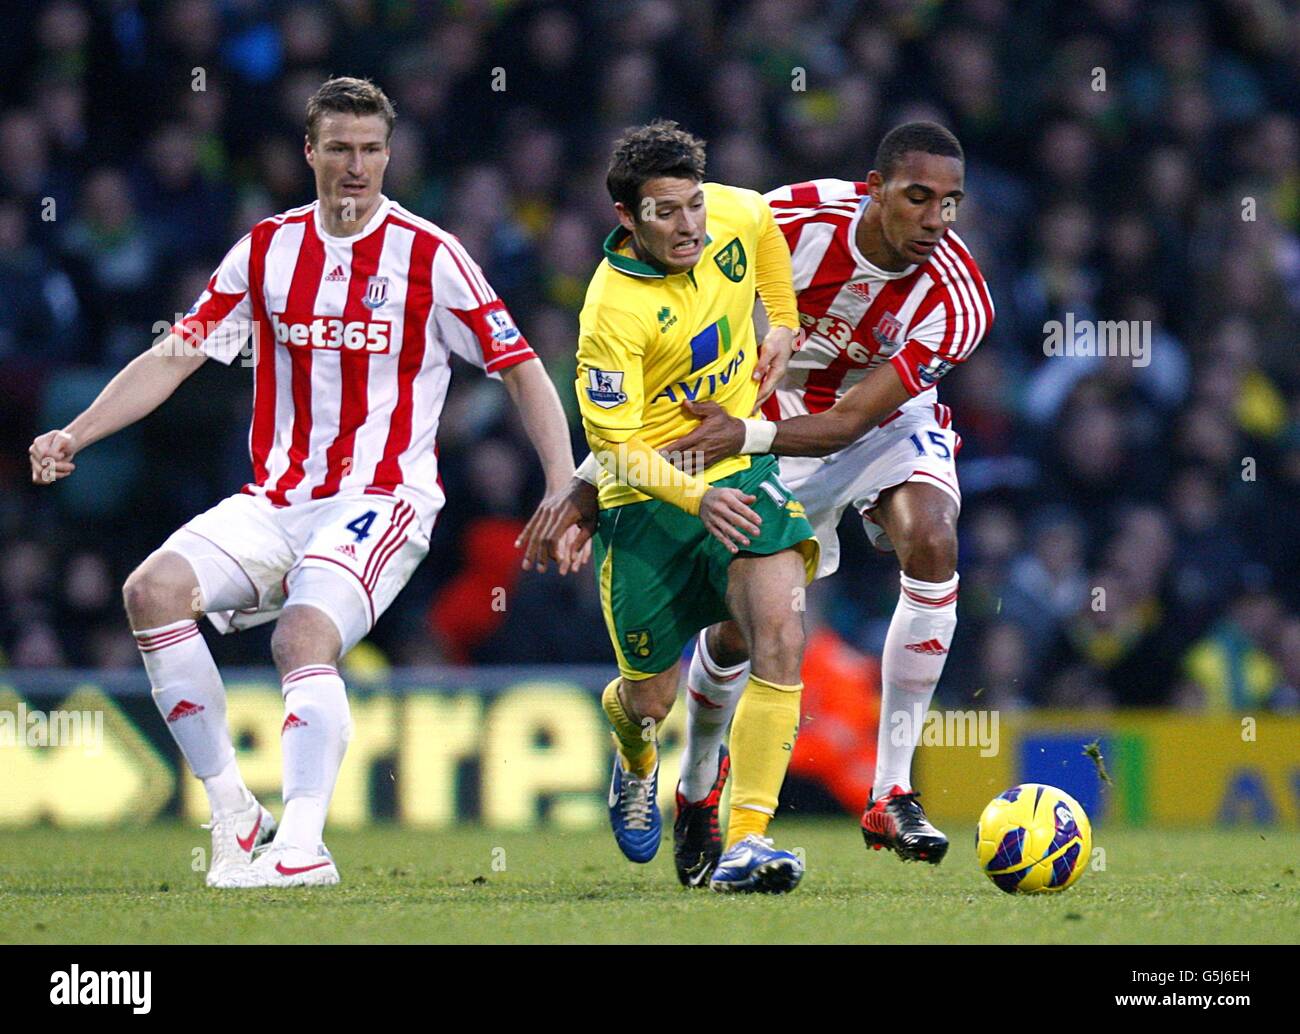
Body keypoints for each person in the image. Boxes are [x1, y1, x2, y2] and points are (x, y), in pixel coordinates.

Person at [29, 77, 576, 889]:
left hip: (384, 498)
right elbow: (174, 356)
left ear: (389, 156)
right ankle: (235, 811)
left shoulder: (432, 255)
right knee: (150, 593)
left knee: (299, 640)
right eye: (340, 149)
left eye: (370, 150)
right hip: (278, 498)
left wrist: (560, 484)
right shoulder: (266, 249)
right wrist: (77, 431)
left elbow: (522, 368)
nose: (356, 166)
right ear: (310, 152)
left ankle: (305, 847)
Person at [520, 122, 993, 878]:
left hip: (860, 424)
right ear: (873, 192)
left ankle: (891, 787)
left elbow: (845, 423)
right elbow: (668, 369)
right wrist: (587, 484)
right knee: (731, 635)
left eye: (952, 204)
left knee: (930, 540)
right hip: (753, 411)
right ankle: (698, 786)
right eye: (918, 198)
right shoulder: (787, 220)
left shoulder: (960, 300)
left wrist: (745, 425)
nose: (937, 220)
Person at [563, 119, 819, 892]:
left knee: (779, 625)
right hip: (647, 492)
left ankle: (748, 838)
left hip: (736, 465)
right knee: (651, 695)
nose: (690, 226)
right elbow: (612, 447)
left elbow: (767, 230)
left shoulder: (731, 214)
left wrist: (785, 320)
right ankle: (638, 756)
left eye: (695, 205)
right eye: (667, 213)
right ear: (627, 218)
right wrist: (692, 496)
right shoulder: (610, 314)